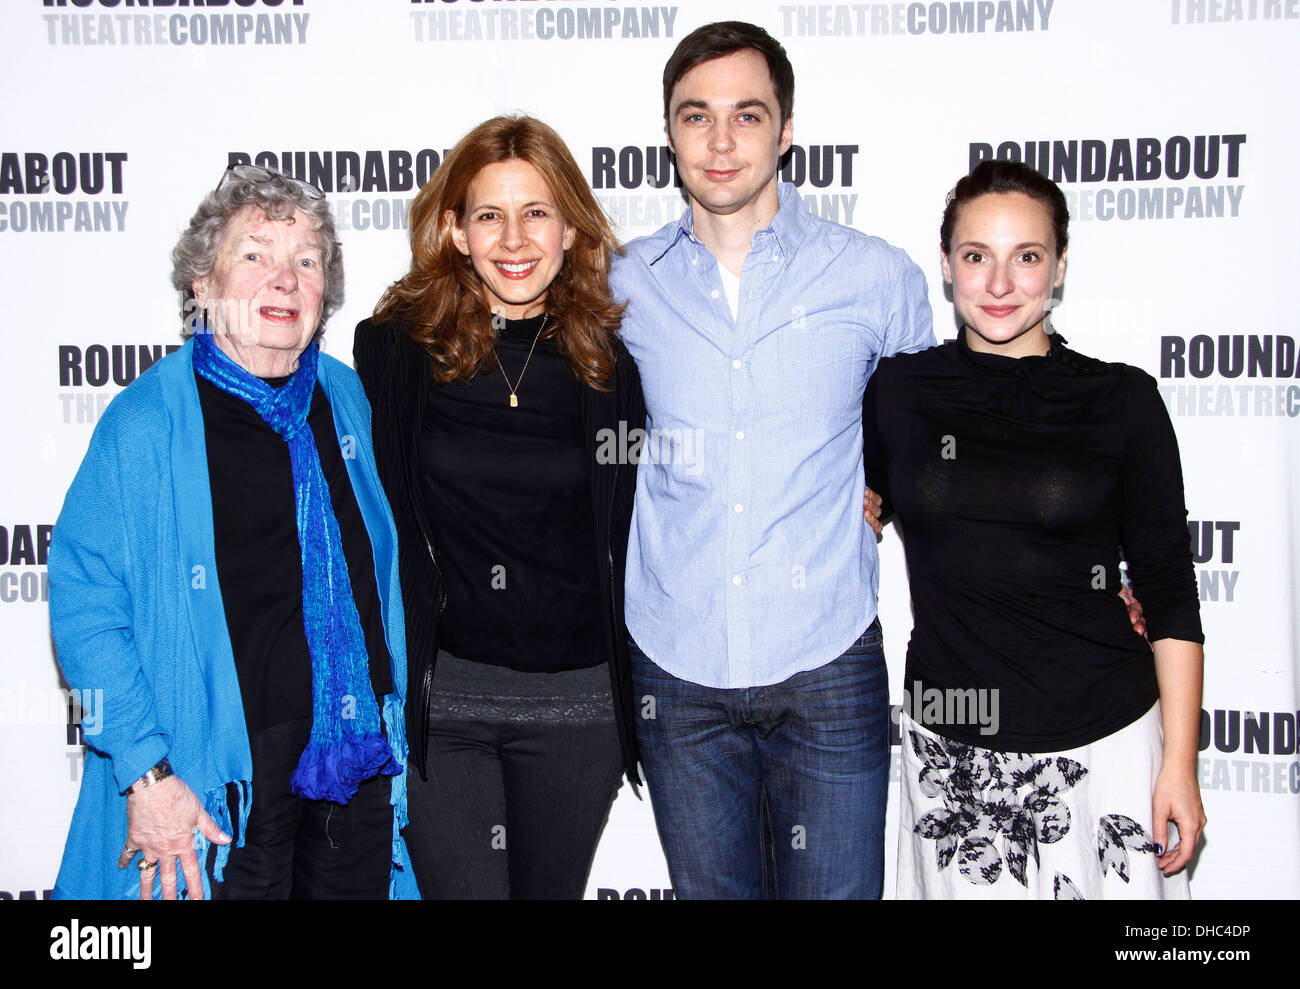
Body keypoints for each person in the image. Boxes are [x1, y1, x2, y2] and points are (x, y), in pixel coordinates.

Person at [610, 21, 934, 899]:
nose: (721, 143)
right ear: (668, 133)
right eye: (696, 117)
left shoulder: (878, 278)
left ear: (787, 130)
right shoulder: (620, 285)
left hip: (827, 659)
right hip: (675, 670)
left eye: (747, 116)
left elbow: (935, 431)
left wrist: (886, 488)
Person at [49, 165, 417, 899]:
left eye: (305, 261)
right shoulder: (147, 424)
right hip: (215, 785)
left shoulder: (345, 397)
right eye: (254, 255)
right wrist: (145, 772)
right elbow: (84, 611)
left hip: (353, 760)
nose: (283, 280)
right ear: (202, 284)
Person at [863, 158, 1206, 899]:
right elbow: (833, 488)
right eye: (975, 256)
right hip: (954, 750)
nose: (998, 284)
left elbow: (1170, 591)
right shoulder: (897, 391)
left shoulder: (1122, 400)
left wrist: (1180, 762)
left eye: (1027, 257)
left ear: (1057, 272)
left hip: (1109, 742)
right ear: (948, 268)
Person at [353, 115, 644, 900]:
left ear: (571, 229)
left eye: (537, 212)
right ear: (453, 229)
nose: (514, 238)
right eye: (489, 214)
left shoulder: (612, 363)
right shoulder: (392, 351)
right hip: (443, 710)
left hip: (578, 711)